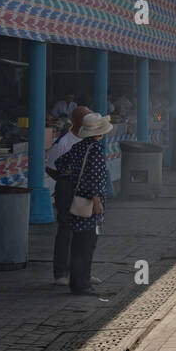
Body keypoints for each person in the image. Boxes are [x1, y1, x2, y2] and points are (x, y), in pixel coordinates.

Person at [54, 113, 112, 296]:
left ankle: (77, 281)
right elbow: (95, 176)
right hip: (89, 203)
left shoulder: (78, 147)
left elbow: (59, 163)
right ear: (99, 133)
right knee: (87, 244)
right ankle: (82, 284)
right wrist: (97, 201)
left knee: (78, 241)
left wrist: (73, 179)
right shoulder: (95, 150)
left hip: (77, 199)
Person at [45, 105, 91, 286]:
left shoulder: (88, 139)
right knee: (66, 231)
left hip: (84, 189)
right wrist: (66, 182)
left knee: (84, 231)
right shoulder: (63, 142)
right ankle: (61, 273)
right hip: (67, 189)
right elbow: (50, 168)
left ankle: (80, 272)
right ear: (78, 121)